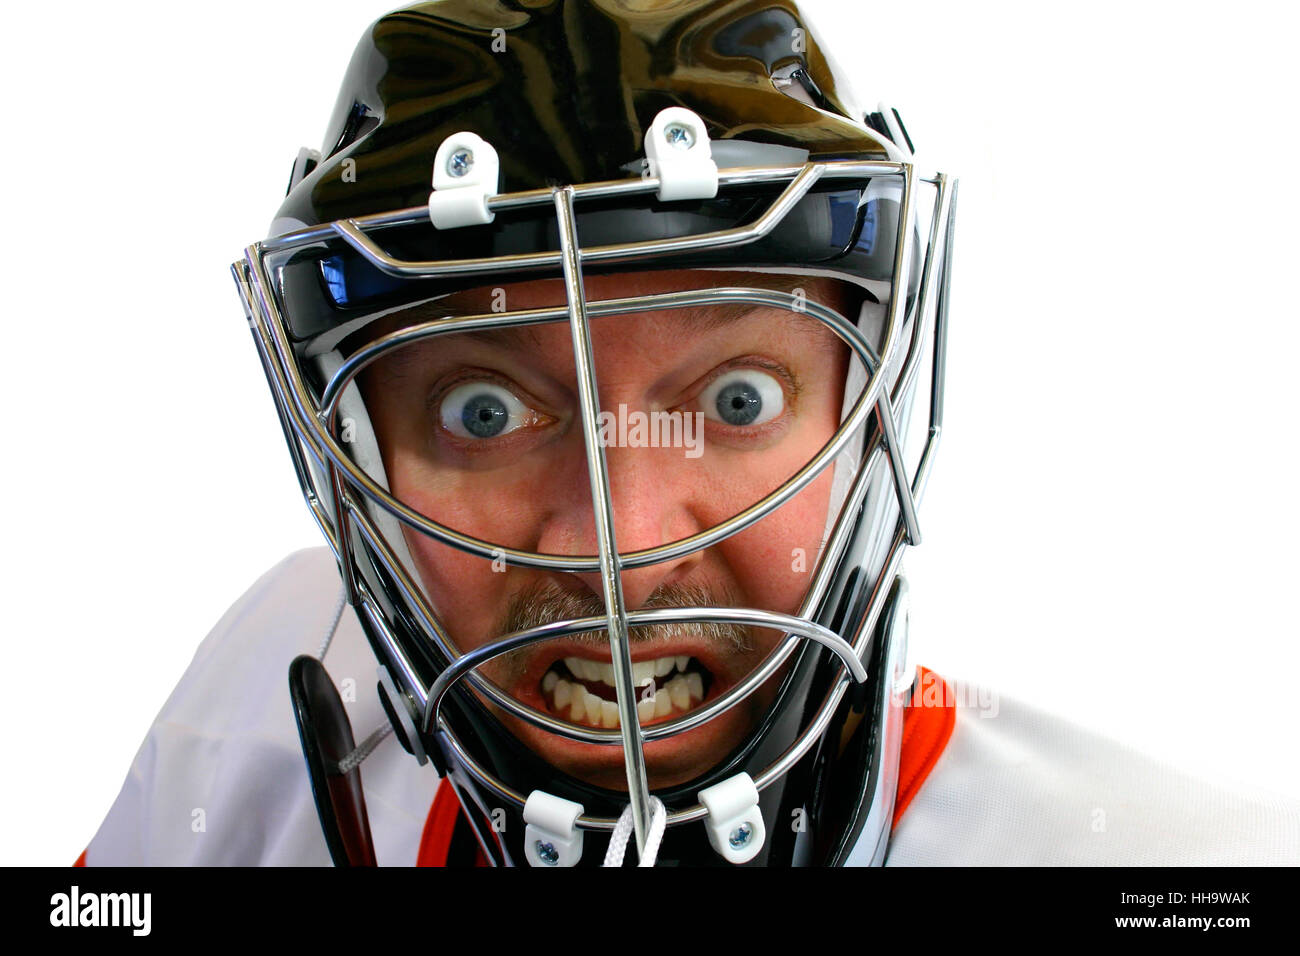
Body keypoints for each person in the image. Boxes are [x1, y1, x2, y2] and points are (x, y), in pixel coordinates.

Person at [78, 0, 1299, 867]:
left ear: (865, 417)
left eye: (736, 401)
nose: (621, 548)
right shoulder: (253, 717)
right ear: (354, 446)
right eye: (484, 412)